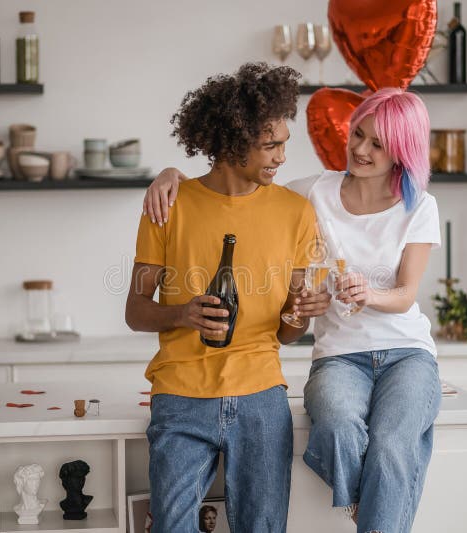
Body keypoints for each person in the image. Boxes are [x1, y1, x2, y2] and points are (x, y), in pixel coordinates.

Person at [142, 87, 442, 533]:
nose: (360, 149)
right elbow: (235, 187)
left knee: (392, 443)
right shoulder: (310, 195)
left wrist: (350, 299)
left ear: (401, 150)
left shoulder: (417, 205)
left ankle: (376, 516)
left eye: (376, 143)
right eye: (358, 135)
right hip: (338, 355)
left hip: (403, 350)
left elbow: (402, 294)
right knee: (339, 424)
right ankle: (368, 495)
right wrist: (172, 173)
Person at [126, 62, 331, 533]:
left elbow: (287, 331)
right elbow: (136, 311)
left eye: (283, 143)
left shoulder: (296, 214)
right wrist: (183, 312)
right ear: (231, 142)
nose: (281, 156)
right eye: (270, 145)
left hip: (261, 393)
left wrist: (301, 313)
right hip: (180, 394)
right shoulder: (168, 204)